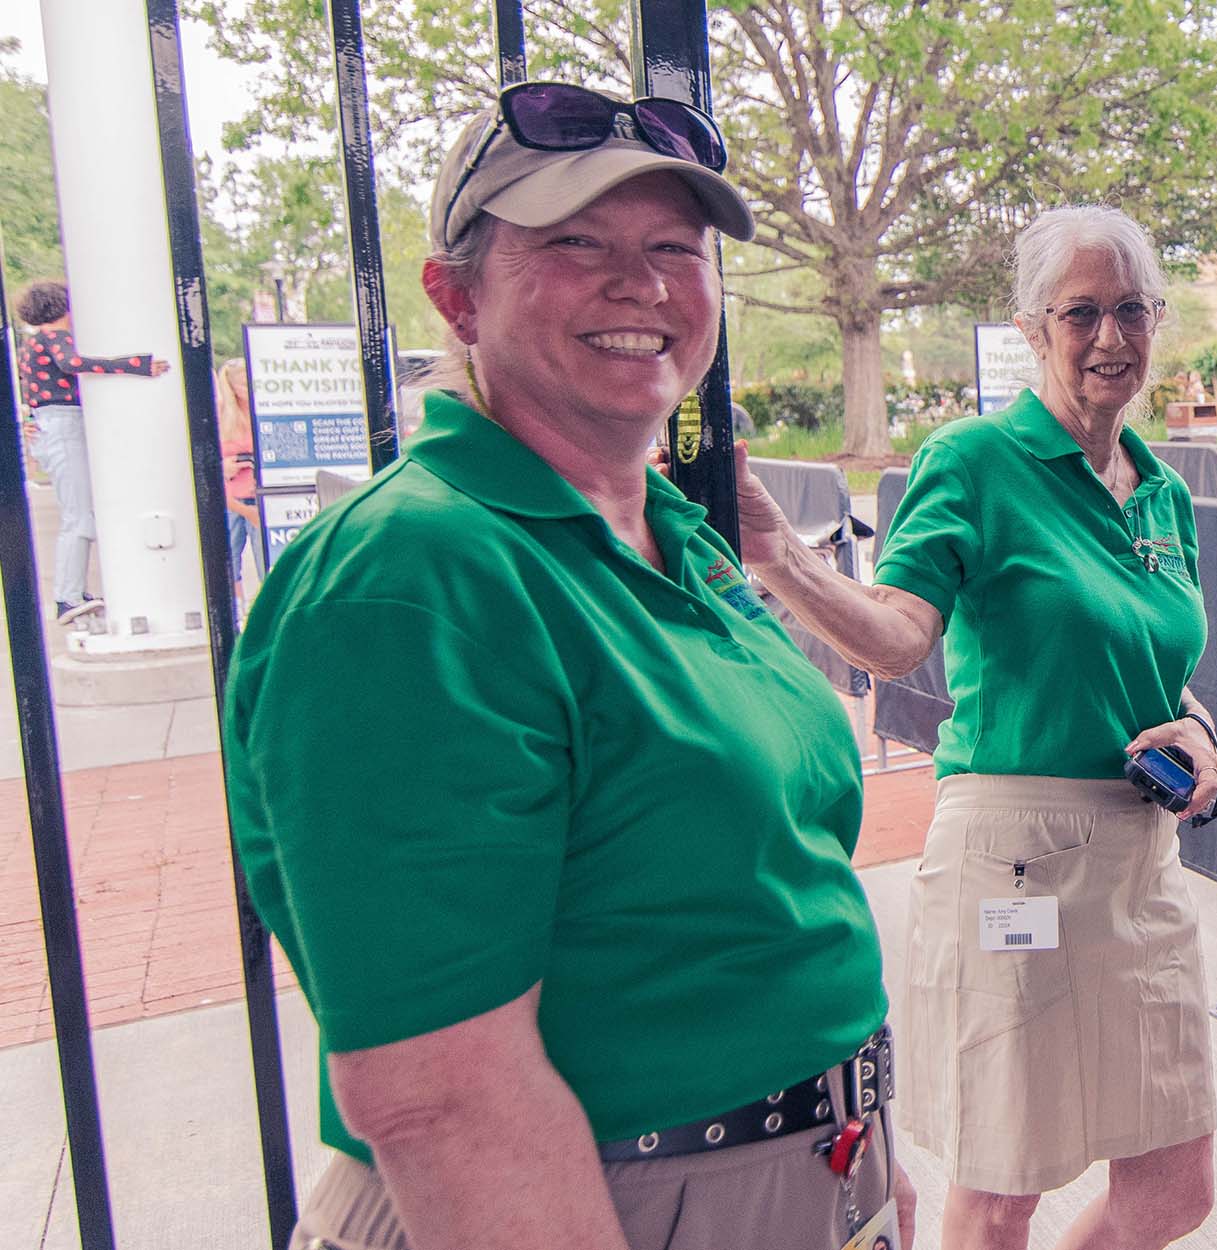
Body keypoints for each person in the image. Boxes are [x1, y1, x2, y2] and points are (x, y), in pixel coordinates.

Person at [223, 83, 911, 1250]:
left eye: (671, 249)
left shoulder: (676, 533)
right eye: (574, 243)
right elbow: (439, 1093)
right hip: (598, 1198)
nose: (637, 282)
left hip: (807, 1171)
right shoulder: (414, 575)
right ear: (454, 295)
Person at [752, 204, 1217, 1250]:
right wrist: (779, 554)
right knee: (1000, 1186)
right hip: (1015, 859)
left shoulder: (1161, 492)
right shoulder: (973, 459)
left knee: (1174, 1183)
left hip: (1141, 862)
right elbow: (894, 636)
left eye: (1132, 309)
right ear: (1029, 325)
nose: (1111, 337)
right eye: (1082, 311)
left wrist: (1203, 742)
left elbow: (1159, 672)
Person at [12, 278, 173, 624]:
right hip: (63, 423)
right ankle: (67, 597)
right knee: (79, 515)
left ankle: (73, 592)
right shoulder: (56, 338)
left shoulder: (31, 344)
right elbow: (73, 364)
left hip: (49, 424)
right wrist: (134, 365)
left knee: (78, 512)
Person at [214, 359, 262, 602]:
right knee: (228, 561)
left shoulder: (261, 413)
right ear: (231, 387)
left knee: (266, 559)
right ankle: (236, 608)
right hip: (230, 497)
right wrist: (223, 467)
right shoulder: (221, 416)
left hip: (258, 495)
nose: (249, 389)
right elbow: (204, 460)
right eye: (243, 384)